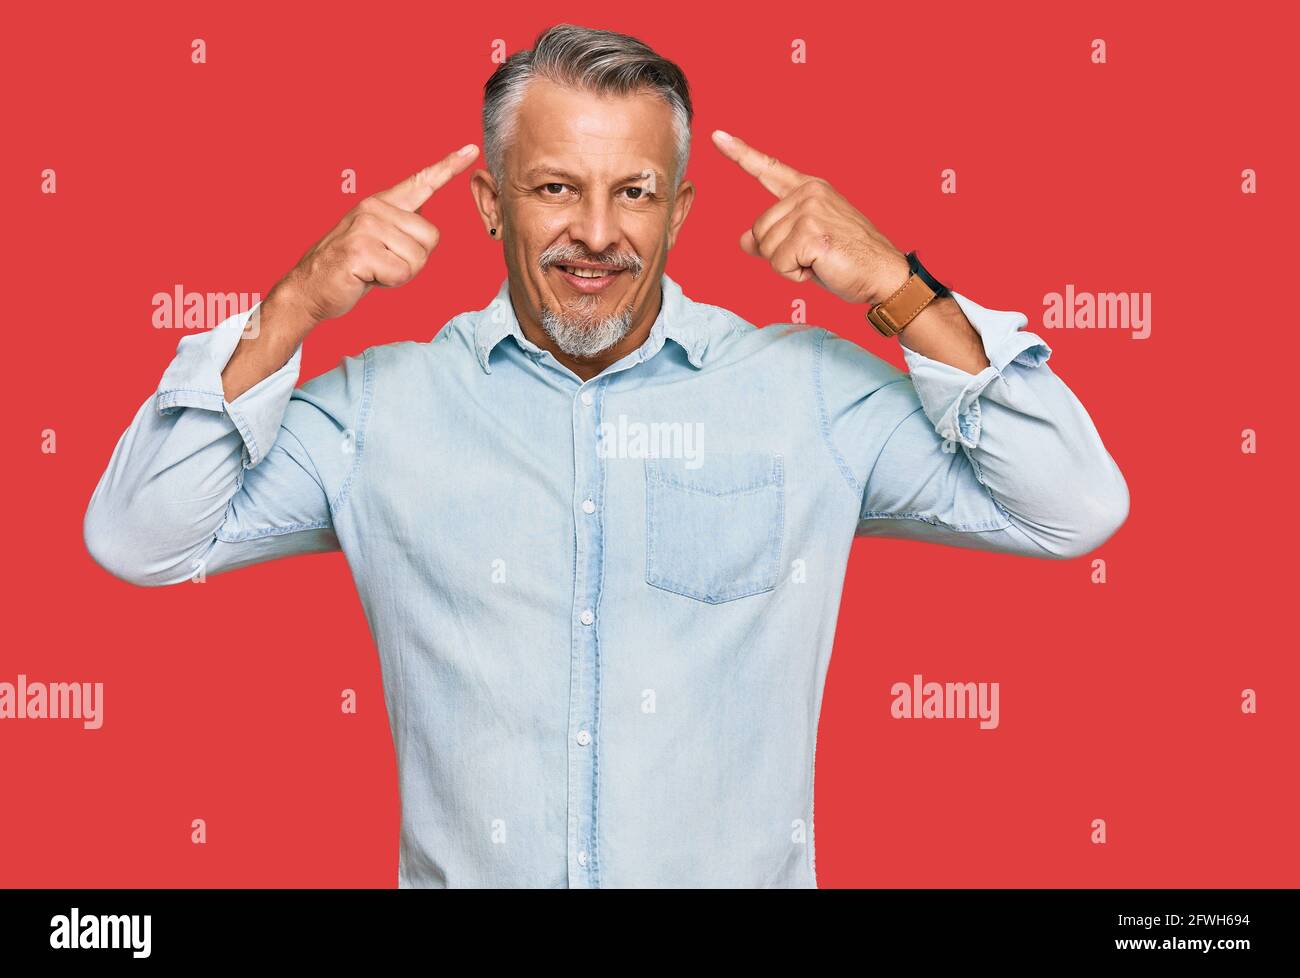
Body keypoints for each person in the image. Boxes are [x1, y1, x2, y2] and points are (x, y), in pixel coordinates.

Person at [83, 24, 1129, 888]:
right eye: (552, 189)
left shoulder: (805, 393)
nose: (596, 233)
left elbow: (1071, 504)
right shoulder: (381, 411)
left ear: (677, 212)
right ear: (491, 205)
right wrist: (295, 303)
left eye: (633, 192)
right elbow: (137, 536)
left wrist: (896, 288)